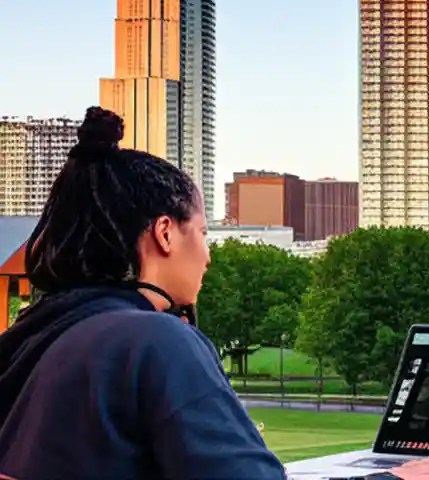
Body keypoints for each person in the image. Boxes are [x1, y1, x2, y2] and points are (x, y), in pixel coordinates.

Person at [0, 108, 286, 479]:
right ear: (165, 233)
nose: (208, 257)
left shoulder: (35, 335)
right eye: (202, 234)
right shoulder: (156, 341)